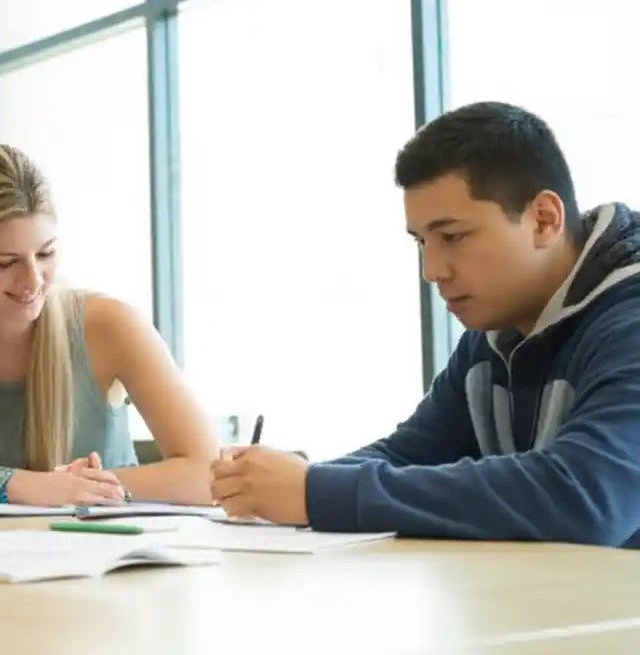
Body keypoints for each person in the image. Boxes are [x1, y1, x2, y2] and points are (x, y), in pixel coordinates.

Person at [211, 101, 640, 548]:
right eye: (422, 242)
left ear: (544, 220)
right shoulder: (494, 334)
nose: (432, 270)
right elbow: (411, 455)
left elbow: (586, 498)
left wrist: (315, 492)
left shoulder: (629, 320)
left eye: (453, 236)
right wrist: (280, 485)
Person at [0, 144, 218, 506]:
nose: (32, 281)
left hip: (101, 537)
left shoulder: (111, 323)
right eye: (5, 262)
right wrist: (19, 484)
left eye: (45, 254)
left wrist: (81, 488)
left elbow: (208, 473)